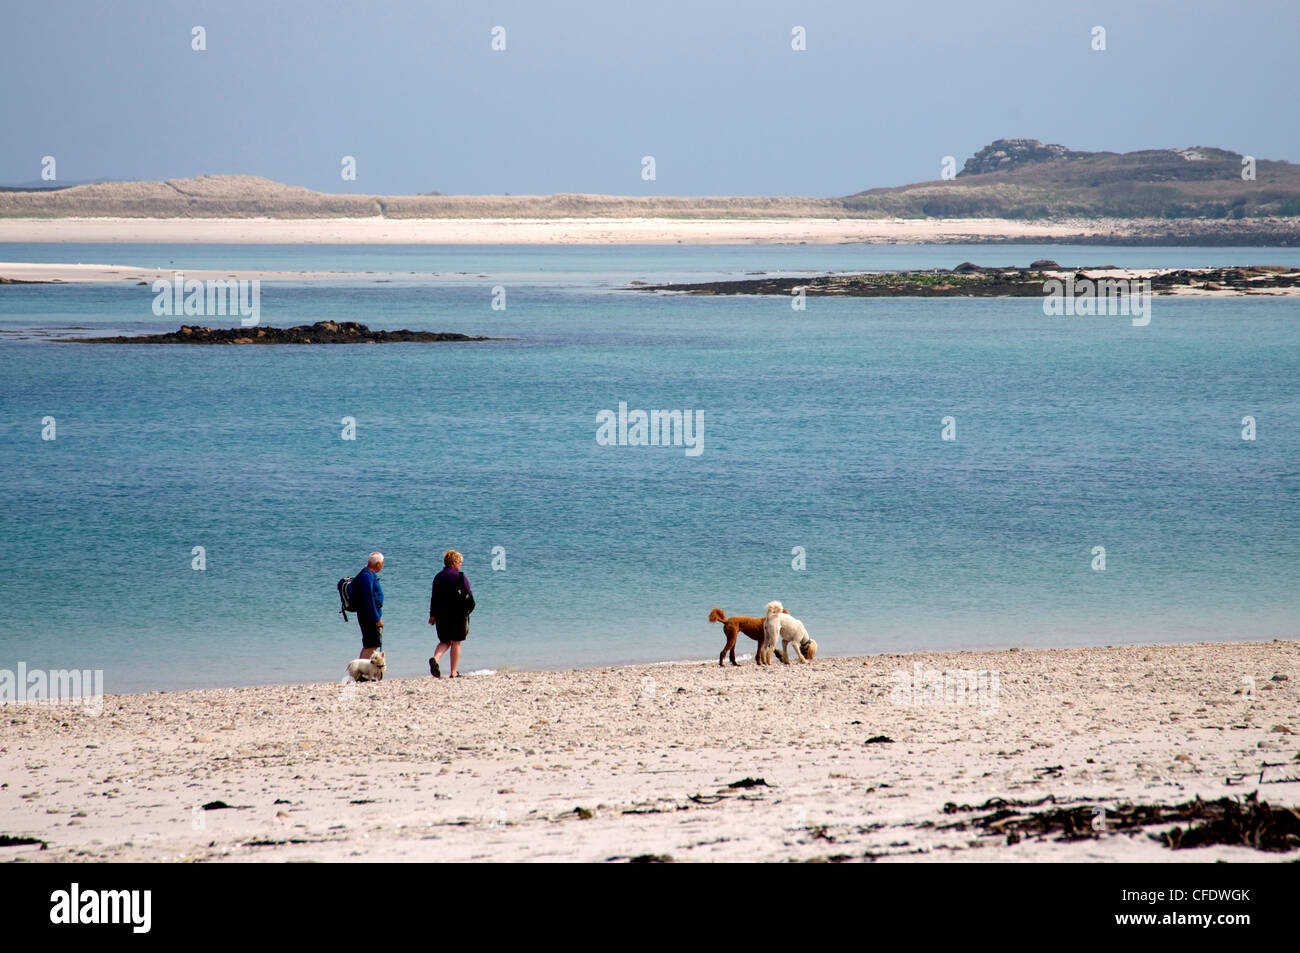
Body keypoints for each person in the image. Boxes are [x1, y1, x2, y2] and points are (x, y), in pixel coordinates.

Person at [428, 549, 475, 678]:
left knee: (445, 641)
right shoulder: (460, 576)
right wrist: (468, 610)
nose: (460, 564)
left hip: (441, 614)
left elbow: (434, 597)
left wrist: (432, 615)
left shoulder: (438, 577)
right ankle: (453, 672)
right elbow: (469, 595)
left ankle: (435, 659)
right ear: (454, 562)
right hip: (458, 614)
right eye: (459, 562)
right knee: (456, 642)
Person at [353, 552, 385, 659]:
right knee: (372, 644)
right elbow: (369, 599)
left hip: (367, 614)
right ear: (378, 564)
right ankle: (360, 668)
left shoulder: (367, 574)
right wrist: (377, 619)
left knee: (370, 644)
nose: (382, 566)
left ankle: (361, 667)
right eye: (382, 563)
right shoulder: (367, 576)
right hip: (368, 615)